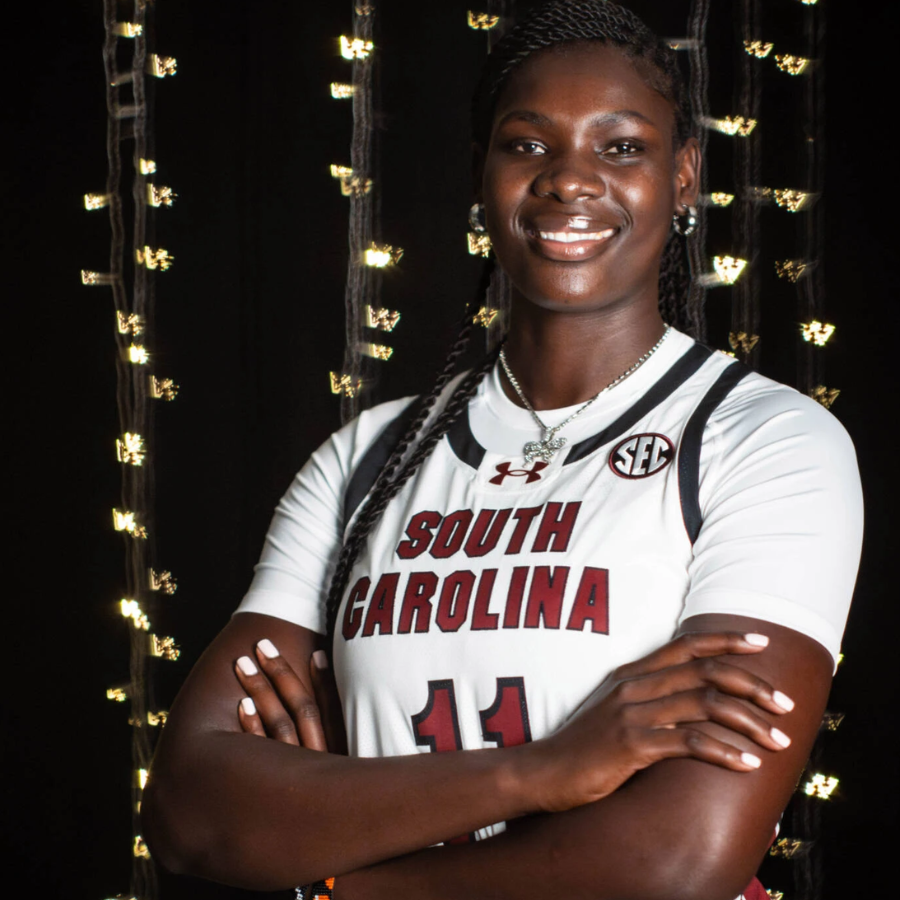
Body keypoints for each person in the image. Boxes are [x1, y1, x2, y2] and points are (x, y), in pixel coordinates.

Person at [142, 3, 863, 898]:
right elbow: (190, 809)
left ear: (683, 179)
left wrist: (334, 878)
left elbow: (676, 863)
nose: (570, 180)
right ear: (481, 175)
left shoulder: (763, 441)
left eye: (622, 147)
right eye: (527, 144)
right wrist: (546, 770)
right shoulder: (366, 460)